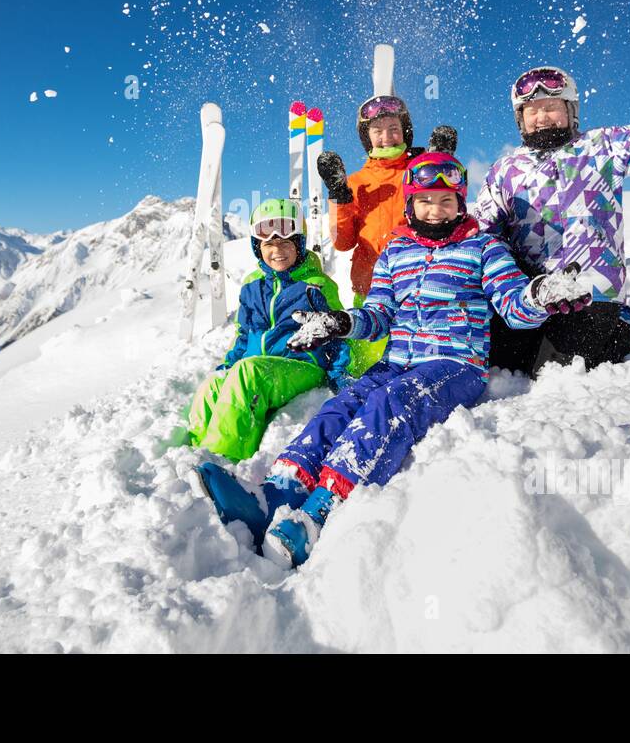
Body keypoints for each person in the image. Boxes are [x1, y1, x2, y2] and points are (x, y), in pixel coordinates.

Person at [193, 153, 591, 567]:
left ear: (460, 204)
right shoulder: (396, 251)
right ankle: (277, 493)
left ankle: (321, 511)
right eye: (425, 201)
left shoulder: (483, 247)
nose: (435, 210)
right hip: (397, 360)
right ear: (410, 204)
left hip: (454, 363)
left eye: (445, 201)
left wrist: (540, 295)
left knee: (389, 404)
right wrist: (340, 322)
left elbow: (512, 305)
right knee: (341, 406)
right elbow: (378, 315)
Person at [475, 3, 630, 375]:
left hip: (588, 299)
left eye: (552, 106)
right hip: (527, 299)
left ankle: (624, 332)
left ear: (571, 110)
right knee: (493, 365)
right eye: (532, 110)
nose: (542, 115)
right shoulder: (504, 171)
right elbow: (479, 234)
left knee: (559, 373)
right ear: (521, 119)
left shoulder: (602, 147)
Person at [183, 199, 350, 462]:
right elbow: (244, 334)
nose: (277, 251)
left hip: (302, 367)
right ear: (257, 248)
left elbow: (337, 334)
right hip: (261, 368)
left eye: (286, 243)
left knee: (249, 373)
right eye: (268, 244)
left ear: (299, 244)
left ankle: (222, 457)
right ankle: (195, 453)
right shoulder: (252, 286)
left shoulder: (315, 285)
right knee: (212, 386)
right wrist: (228, 365)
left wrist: (341, 377)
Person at [315, 94, 457, 375]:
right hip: (369, 295)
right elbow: (343, 243)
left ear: (405, 131)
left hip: (421, 291)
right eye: (377, 131)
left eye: (394, 128)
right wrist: (339, 196)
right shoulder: (357, 182)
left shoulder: (420, 171)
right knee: (369, 374)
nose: (387, 137)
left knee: (421, 372)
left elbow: (447, 216)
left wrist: (441, 162)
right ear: (367, 138)